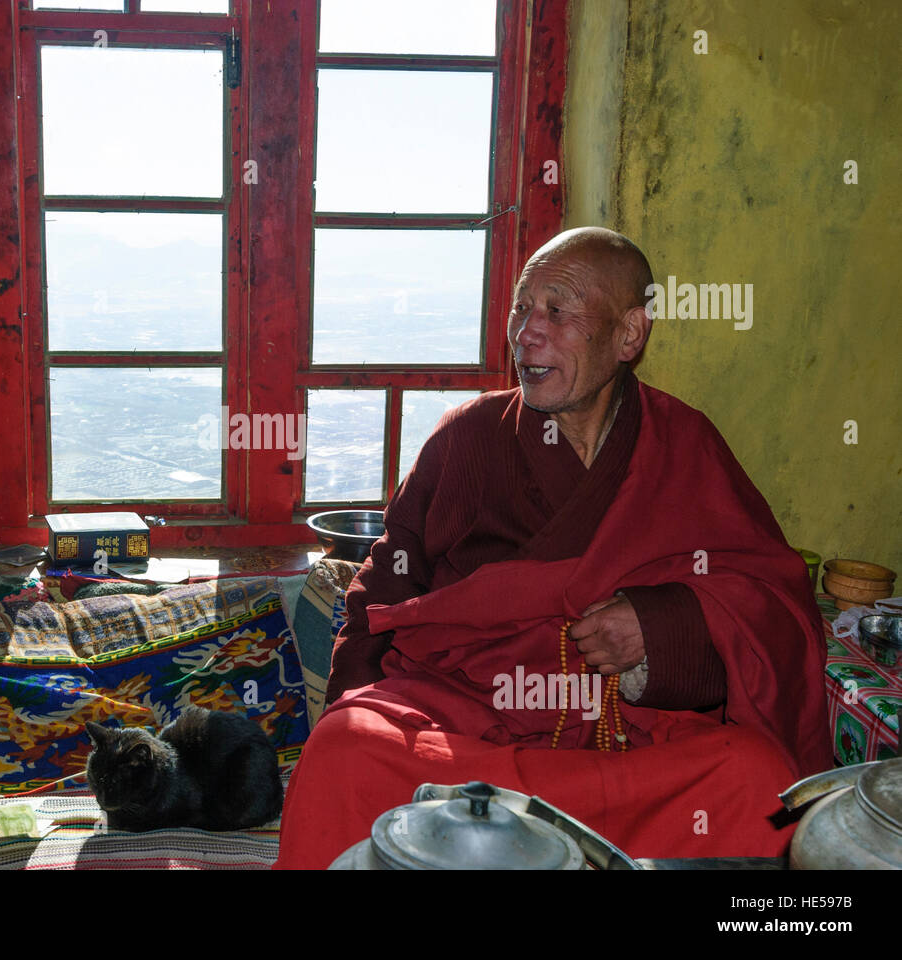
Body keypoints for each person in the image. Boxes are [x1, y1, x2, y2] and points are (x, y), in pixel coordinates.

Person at [274, 227, 831, 868]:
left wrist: (661, 626)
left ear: (629, 335)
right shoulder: (468, 440)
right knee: (345, 747)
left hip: (625, 740)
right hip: (470, 731)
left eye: (558, 310)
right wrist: (352, 704)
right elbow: (384, 588)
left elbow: (772, 602)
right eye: (521, 307)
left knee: (755, 779)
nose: (526, 333)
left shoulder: (685, 445)